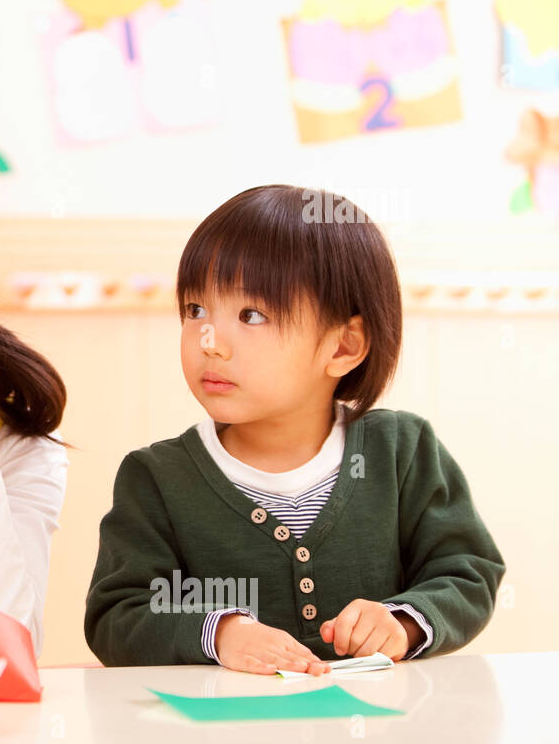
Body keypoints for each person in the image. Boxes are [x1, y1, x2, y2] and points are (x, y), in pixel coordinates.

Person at [85, 185, 506, 673]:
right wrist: (220, 633)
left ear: (344, 346)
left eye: (252, 315)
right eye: (195, 310)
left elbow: (467, 574)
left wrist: (402, 622)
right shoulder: (156, 477)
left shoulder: (402, 452)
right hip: (228, 740)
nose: (210, 341)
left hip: (384, 736)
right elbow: (118, 615)